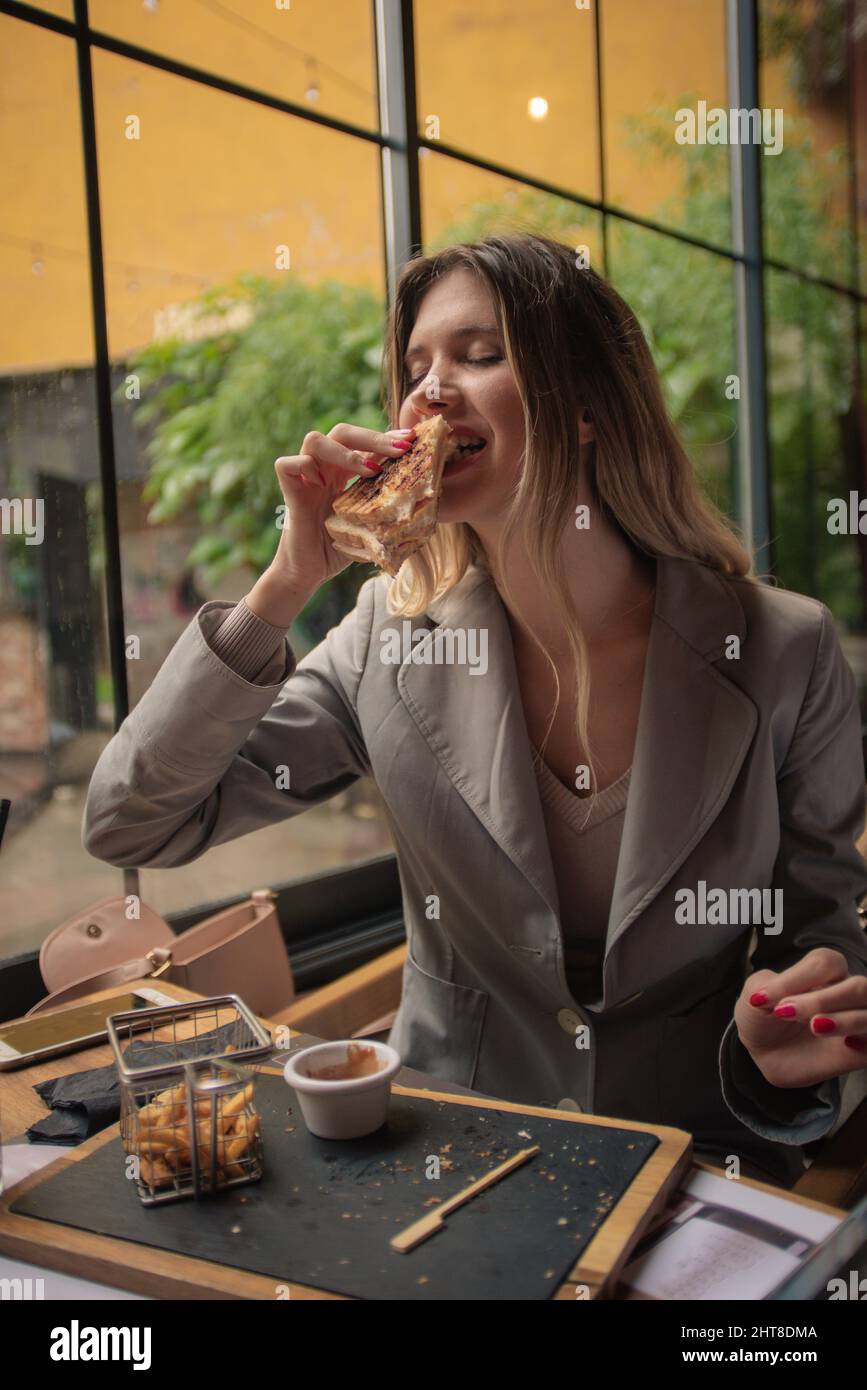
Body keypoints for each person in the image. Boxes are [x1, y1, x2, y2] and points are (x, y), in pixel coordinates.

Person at [83, 233, 867, 1188]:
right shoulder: (385, 638)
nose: (429, 392)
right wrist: (284, 584)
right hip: (448, 1163)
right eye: (415, 368)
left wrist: (779, 1045)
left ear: (586, 405)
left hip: (694, 1163)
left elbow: (821, 937)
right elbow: (133, 821)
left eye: (480, 354)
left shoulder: (785, 651)